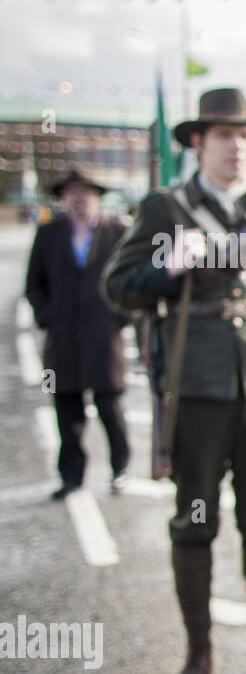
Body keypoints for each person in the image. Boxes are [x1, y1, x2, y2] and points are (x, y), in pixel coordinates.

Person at [102, 87, 246, 674]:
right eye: (224, 135)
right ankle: (197, 658)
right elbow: (119, 287)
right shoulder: (165, 209)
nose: (237, 147)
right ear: (198, 142)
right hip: (192, 388)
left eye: (245, 135)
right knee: (193, 524)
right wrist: (168, 266)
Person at [25, 168, 130, 499]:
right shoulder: (49, 233)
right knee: (67, 413)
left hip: (104, 337)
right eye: (72, 191)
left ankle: (120, 468)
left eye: (85, 191)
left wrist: (120, 318)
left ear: (97, 195)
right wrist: (48, 317)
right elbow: (34, 284)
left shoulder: (117, 232)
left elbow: (131, 280)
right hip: (63, 338)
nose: (79, 197)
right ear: (63, 197)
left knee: (110, 409)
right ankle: (71, 476)